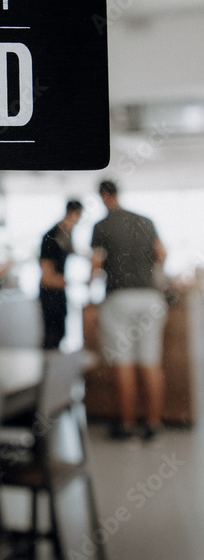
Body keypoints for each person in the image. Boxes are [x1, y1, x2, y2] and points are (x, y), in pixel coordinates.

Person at [90, 180, 167, 439]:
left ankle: (126, 426)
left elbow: (95, 265)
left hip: (119, 299)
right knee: (150, 362)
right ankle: (153, 425)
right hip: (150, 299)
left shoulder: (101, 226)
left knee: (123, 363)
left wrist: (90, 298)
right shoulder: (145, 221)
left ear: (102, 195)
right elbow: (161, 254)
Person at [39, 199, 83, 349]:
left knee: (61, 334)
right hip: (50, 293)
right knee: (52, 337)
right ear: (73, 214)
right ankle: (46, 372)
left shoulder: (67, 234)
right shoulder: (50, 237)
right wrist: (78, 282)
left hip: (60, 291)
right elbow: (46, 278)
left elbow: (72, 250)